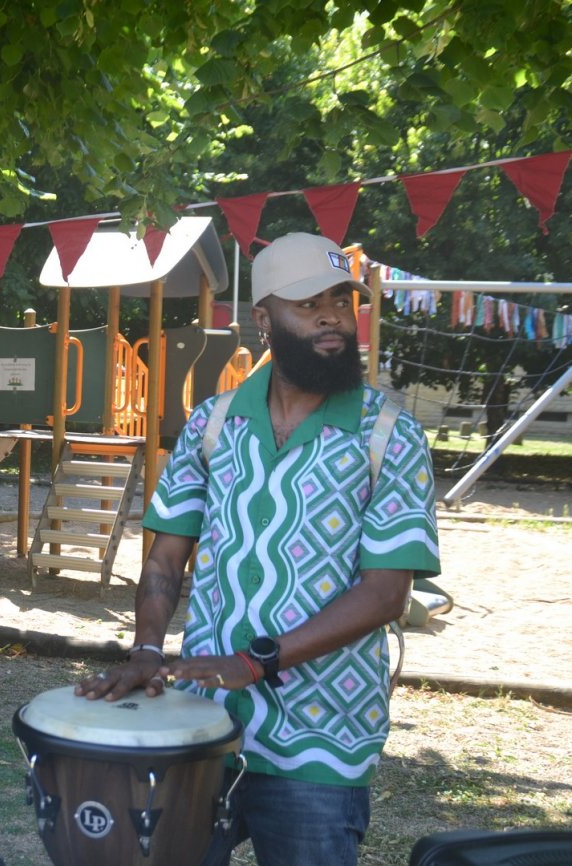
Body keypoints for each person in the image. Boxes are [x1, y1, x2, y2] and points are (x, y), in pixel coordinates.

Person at [76, 233, 440, 866]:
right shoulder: (213, 424)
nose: (331, 316)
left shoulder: (388, 433)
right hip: (202, 725)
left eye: (341, 300)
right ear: (264, 320)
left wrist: (254, 662)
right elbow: (165, 559)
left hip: (322, 740)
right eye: (308, 303)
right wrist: (145, 648)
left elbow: (386, 594)